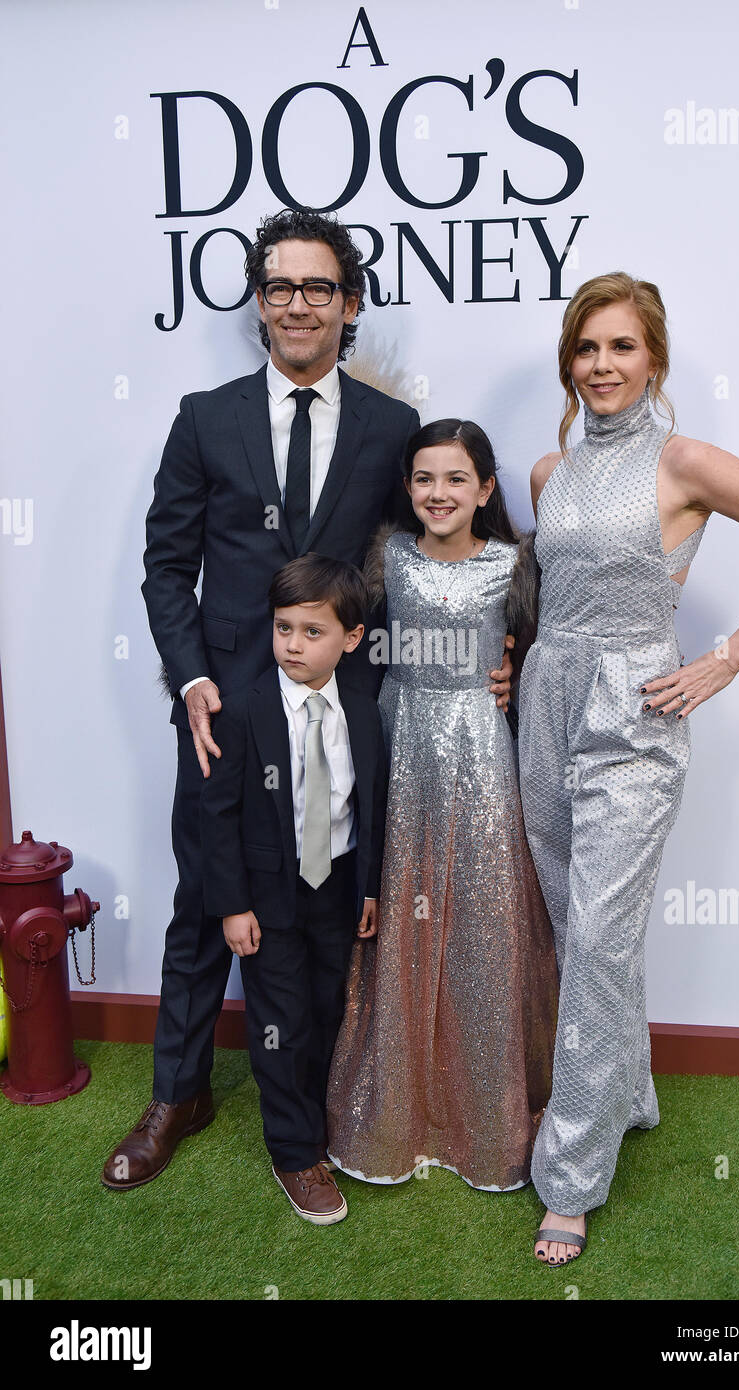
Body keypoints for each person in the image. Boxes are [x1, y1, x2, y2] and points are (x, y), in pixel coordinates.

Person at [101, 206, 511, 1190]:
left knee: (337, 907)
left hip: (346, 709)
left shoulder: (394, 430)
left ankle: (338, 1092)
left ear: (349, 302)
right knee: (209, 902)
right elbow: (166, 566)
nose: (297, 303)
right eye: (280, 284)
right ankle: (178, 1090)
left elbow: (427, 557)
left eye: (317, 286)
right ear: (258, 299)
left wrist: (488, 654)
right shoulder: (206, 418)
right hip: (225, 708)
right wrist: (194, 677)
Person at [518, 271, 739, 1266]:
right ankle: (633, 1091)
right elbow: (553, 594)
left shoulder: (686, 459)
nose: (604, 365)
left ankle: (569, 1178)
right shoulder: (547, 471)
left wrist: (729, 655)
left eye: (622, 347)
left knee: (603, 934)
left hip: (637, 720)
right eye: (588, 349)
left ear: (652, 357)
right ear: (569, 362)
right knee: (582, 929)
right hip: (547, 705)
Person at [326, 420, 559, 1191]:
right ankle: (400, 1108)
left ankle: (486, 1119)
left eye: (456, 479)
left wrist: (517, 678)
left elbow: (544, 652)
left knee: (481, 921)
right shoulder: (387, 557)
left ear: (486, 489)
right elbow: (360, 647)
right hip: (401, 750)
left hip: (484, 758)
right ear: (408, 487)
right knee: (401, 910)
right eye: (424, 479)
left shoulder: (514, 566)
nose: (438, 493)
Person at [198, 555, 386, 1224]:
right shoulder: (244, 711)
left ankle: (316, 1124)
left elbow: (369, 811)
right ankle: (293, 1152)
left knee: (326, 1012)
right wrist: (233, 906)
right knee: (280, 1022)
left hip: (334, 889)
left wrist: (367, 892)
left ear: (352, 638)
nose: (294, 646)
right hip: (266, 900)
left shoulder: (362, 714)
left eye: (312, 632)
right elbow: (214, 817)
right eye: (283, 629)